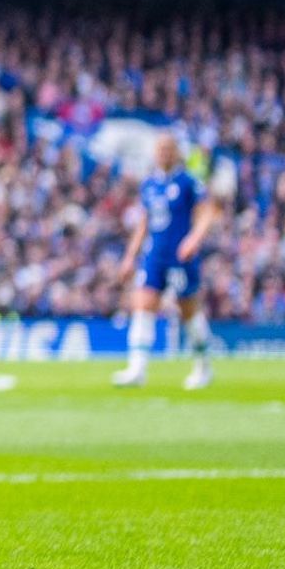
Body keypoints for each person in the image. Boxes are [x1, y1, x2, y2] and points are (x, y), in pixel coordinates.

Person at [113, 131, 220, 391]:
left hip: (180, 257)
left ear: (176, 152)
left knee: (188, 313)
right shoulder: (149, 184)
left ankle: (203, 366)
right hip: (154, 256)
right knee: (142, 305)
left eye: (168, 149)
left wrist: (193, 240)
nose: (163, 153)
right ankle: (137, 369)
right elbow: (144, 223)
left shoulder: (188, 183)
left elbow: (207, 214)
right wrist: (130, 256)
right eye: (159, 149)